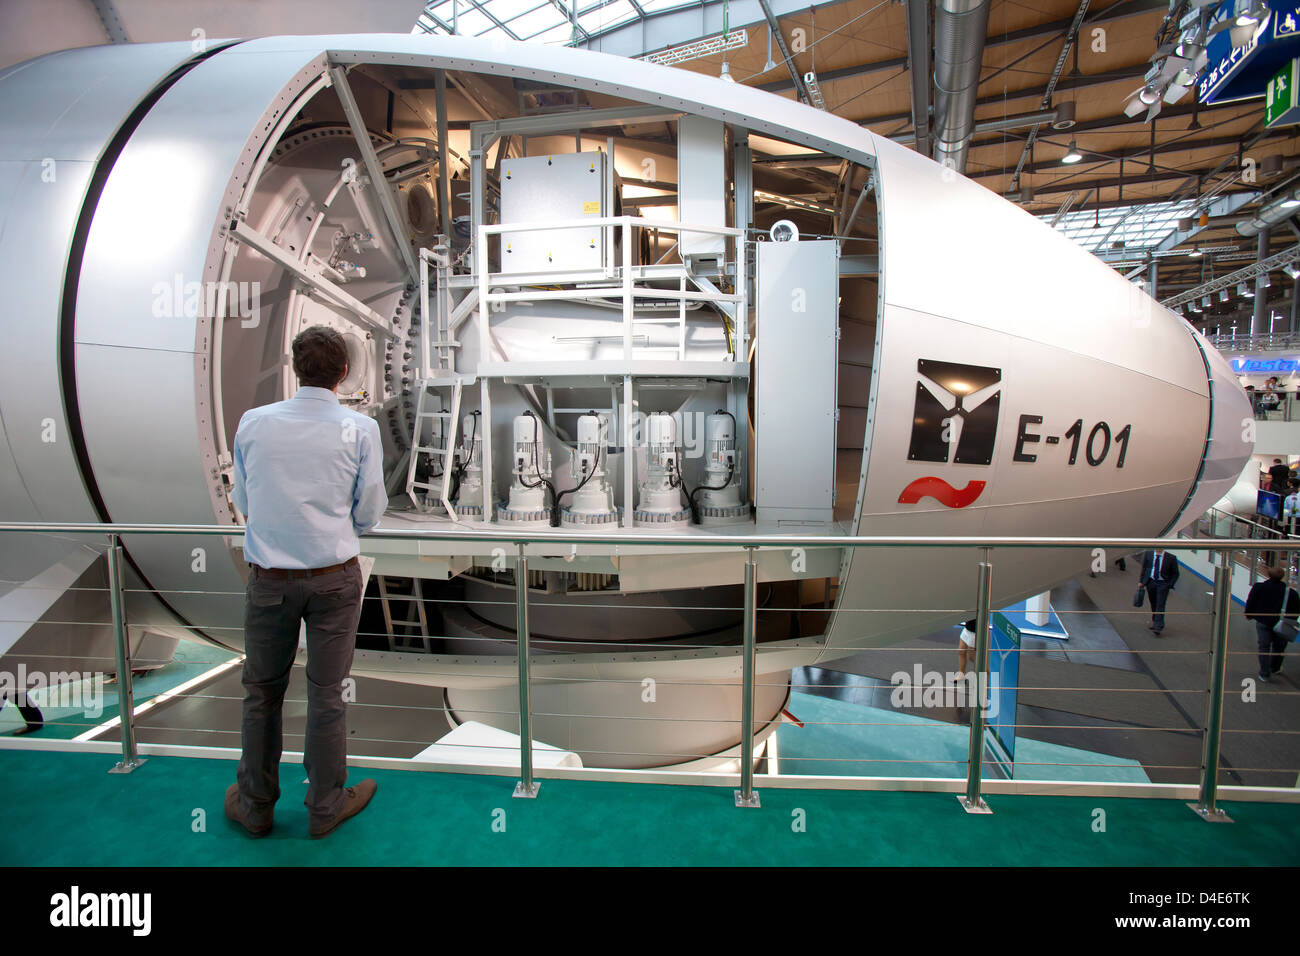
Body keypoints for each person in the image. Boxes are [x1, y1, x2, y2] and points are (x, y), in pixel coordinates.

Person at [227, 325, 387, 839]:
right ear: (344, 373)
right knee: (327, 695)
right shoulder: (359, 430)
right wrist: (338, 530)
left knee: (261, 693)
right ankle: (324, 806)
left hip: (269, 580)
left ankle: (254, 805)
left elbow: (246, 503)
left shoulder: (254, 423)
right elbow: (371, 511)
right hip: (334, 581)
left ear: (295, 368)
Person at [1244, 566, 1299, 683]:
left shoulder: (1259, 587)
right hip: (1282, 624)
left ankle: (1264, 673)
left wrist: (1248, 614)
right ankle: (1275, 667)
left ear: (1269, 575)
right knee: (1279, 647)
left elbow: (1251, 601)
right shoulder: (1290, 593)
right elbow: (1296, 610)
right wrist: (1291, 621)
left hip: (1263, 622)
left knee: (1264, 647)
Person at [1138, 548, 1179, 635]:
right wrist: (1141, 581)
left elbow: (1175, 573)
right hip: (1151, 582)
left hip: (1163, 584)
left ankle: (1158, 626)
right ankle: (1155, 621)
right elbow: (1144, 568)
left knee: (1160, 604)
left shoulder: (1170, 558)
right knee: (1153, 603)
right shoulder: (1148, 554)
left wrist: (1169, 585)